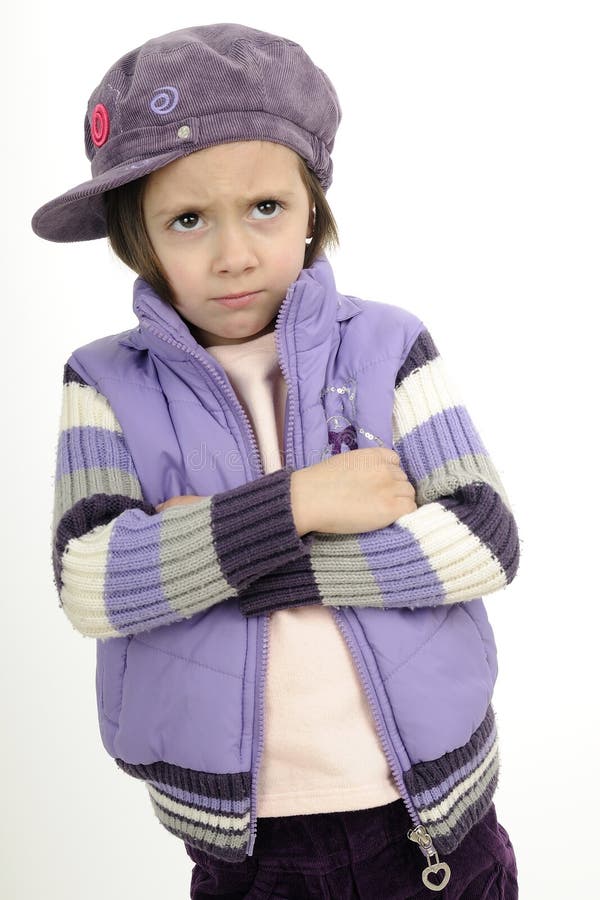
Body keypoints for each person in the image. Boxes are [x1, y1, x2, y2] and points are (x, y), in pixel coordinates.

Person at [31, 23, 521, 899]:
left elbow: (482, 541)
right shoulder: (102, 384)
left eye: (266, 208)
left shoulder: (389, 345)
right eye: (187, 220)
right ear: (136, 237)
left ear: (312, 205)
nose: (234, 255)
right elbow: (93, 580)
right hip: (249, 852)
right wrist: (301, 500)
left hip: (436, 819)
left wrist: (206, 556)